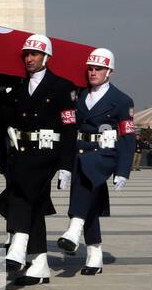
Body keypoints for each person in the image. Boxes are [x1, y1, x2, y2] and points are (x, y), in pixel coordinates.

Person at [0, 34, 78, 287]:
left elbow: (70, 128)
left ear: (46, 57)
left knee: (22, 189)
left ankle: (18, 242)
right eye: (26, 55)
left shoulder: (63, 87)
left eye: (35, 54)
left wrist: (66, 165)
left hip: (48, 152)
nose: (29, 59)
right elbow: (6, 115)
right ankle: (39, 265)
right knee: (34, 203)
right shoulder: (18, 87)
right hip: (23, 151)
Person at [57, 48, 135, 276]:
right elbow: (69, 128)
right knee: (89, 200)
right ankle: (94, 255)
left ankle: (73, 229)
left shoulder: (121, 100)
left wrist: (123, 170)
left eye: (98, 69)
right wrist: (64, 164)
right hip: (80, 151)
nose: (93, 72)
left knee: (87, 176)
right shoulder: (78, 96)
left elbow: (128, 137)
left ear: (109, 72)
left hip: (105, 154)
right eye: (90, 68)